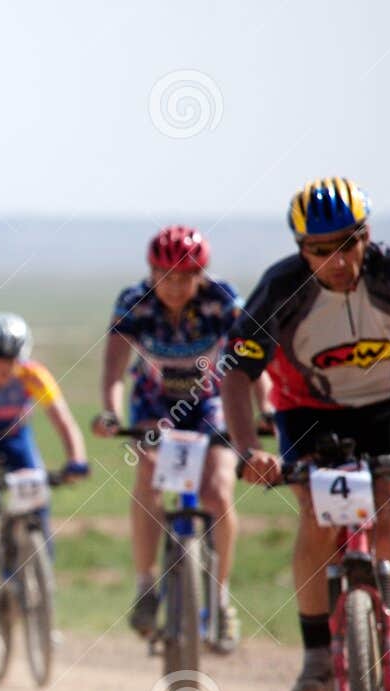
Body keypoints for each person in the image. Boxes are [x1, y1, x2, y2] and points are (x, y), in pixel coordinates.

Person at [221, 178, 390, 691]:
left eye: (348, 242)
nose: (337, 259)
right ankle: (314, 656)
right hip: (308, 412)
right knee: (316, 517)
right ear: (300, 248)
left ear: (367, 235)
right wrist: (247, 451)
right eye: (320, 249)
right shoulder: (281, 286)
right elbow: (236, 376)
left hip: (385, 408)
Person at [92, 226, 259, 652]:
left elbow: (251, 364)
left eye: (185, 276)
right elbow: (114, 370)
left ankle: (220, 599)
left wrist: (268, 410)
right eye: (165, 275)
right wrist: (111, 412)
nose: (174, 286)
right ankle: (146, 585)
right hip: (154, 405)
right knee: (148, 480)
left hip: (209, 403)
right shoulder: (133, 302)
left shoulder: (223, 300)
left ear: (201, 276)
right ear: (151, 273)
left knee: (219, 491)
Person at [0, 312, 87, 578]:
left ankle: (42, 559)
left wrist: (76, 459)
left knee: (37, 490)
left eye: (11, 358)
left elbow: (63, 420)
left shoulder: (34, 375)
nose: (4, 365)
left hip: (15, 436)